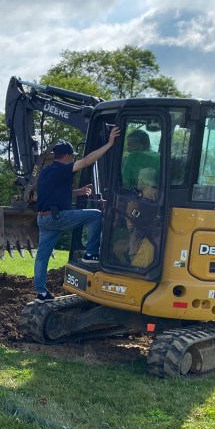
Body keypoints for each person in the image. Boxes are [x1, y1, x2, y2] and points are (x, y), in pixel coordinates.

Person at [33, 128, 120, 302]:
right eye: (72, 156)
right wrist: (109, 144)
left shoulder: (46, 172)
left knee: (42, 257)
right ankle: (90, 254)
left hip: (43, 218)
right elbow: (87, 161)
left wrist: (78, 192)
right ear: (66, 156)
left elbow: (52, 194)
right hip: (57, 218)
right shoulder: (63, 169)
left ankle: (41, 293)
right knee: (95, 215)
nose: (73, 158)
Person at [121, 129, 160, 200]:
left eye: (130, 145)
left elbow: (125, 183)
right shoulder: (160, 157)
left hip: (139, 198)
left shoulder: (133, 156)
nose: (128, 150)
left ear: (141, 145)